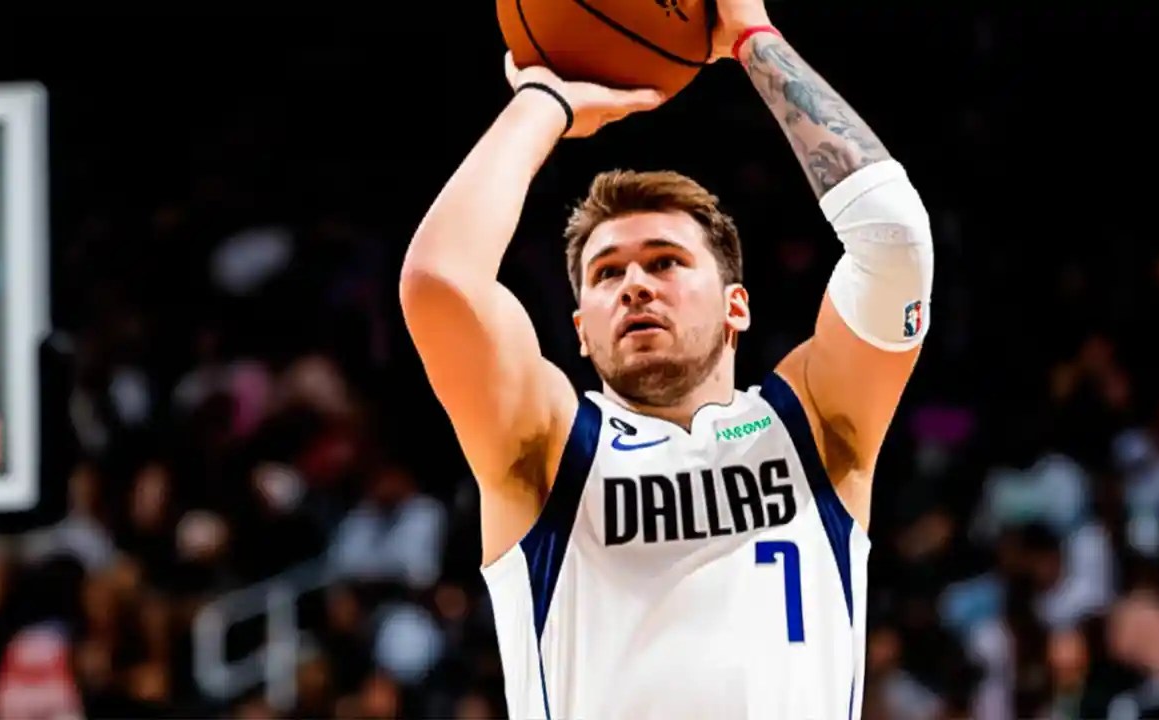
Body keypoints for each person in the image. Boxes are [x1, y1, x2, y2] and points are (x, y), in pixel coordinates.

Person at [399, 0, 934, 716]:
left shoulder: (817, 424)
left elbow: (895, 243)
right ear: (581, 328)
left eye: (665, 261)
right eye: (606, 273)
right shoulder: (548, 448)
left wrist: (753, 39)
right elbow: (440, 284)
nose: (635, 285)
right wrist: (543, 100)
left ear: (736, 306)